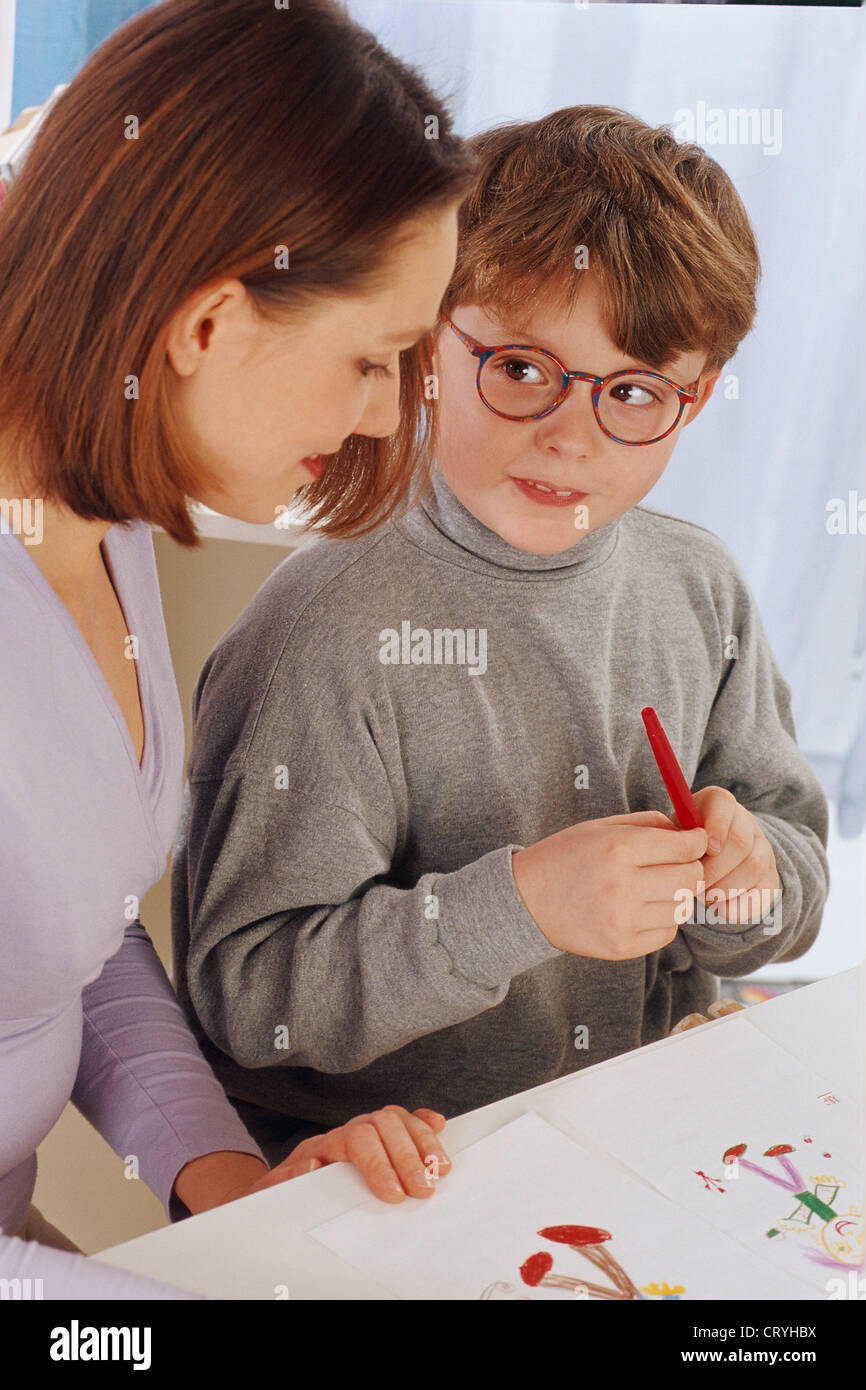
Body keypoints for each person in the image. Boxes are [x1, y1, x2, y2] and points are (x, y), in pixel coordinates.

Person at [172, 105, 829, 1166]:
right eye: (519, 368)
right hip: (386, 1186)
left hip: (625, 1150)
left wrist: (742, 879)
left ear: (694, 400)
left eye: (630, 391)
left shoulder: (698, 586)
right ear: (428, 338)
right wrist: (519, 905)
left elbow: (786, 881)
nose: (568, 435)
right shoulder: (320, 632)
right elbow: (252, 995)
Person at [0, 0, 476, 1298]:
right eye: (376, 357)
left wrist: (223, 1179)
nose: (388, 410)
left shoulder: (104, 506)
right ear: (208, 323)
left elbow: (61, 939)